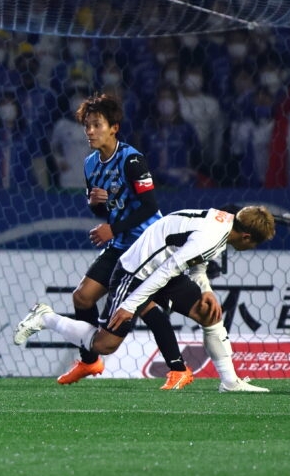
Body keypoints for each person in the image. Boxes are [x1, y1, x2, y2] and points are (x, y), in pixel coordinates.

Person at [14, 206, 275, 393]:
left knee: (208, 312)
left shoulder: (224, 222)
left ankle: (230, 382)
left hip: (160, 269)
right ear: (247, 237)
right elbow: (168, 269)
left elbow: (196, 264)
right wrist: (130, 305)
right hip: (135, 274)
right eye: (253, 245)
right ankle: (45, 317)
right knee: (104, 345)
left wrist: (205, 290)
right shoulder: (211, 236)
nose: (250, 249)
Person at [57, 93, 194, 388]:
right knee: (82, 297)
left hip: (148, 244)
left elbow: (148, 206)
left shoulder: (132, 159)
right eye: (87, 126)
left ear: (114, 127)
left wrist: (112, 228)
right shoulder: (91, 163)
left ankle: (179, 369)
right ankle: (90, 362)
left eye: (96, 125)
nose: (90, 131)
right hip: (120, 244)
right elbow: (101, 206)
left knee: (143, 304)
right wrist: (96, 205)